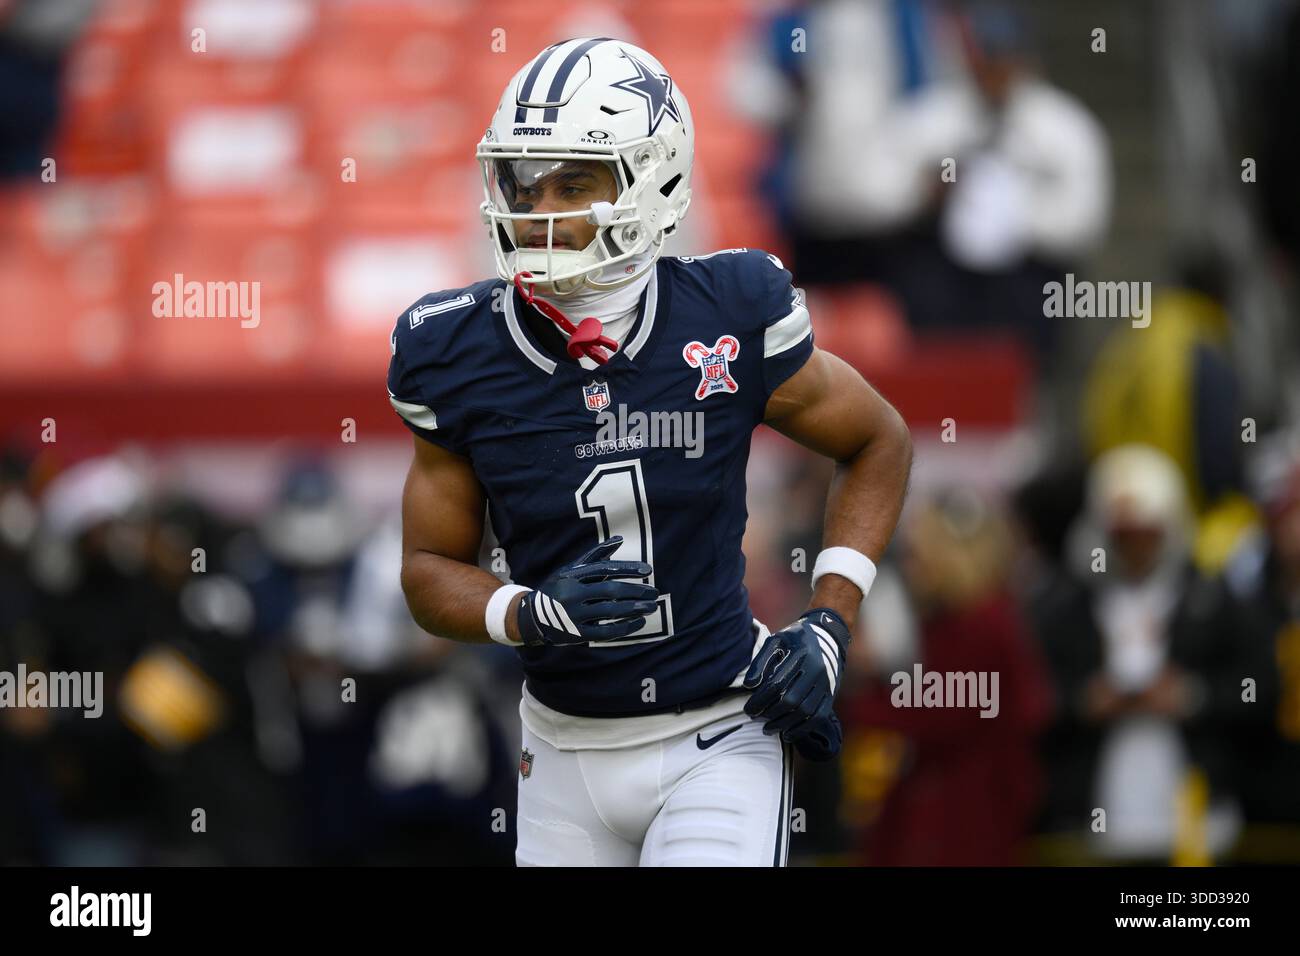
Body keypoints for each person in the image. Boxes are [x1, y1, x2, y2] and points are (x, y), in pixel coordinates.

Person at [388, 38, 912, 866]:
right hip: (560, 749)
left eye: (575, 182)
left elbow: (878, 438)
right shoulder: (456, 350)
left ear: (654, 178)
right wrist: (528, 610)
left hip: (717, 731)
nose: (540, 208)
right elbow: (426, 569)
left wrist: (828, 622)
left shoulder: (728, 314)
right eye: (526, 182)